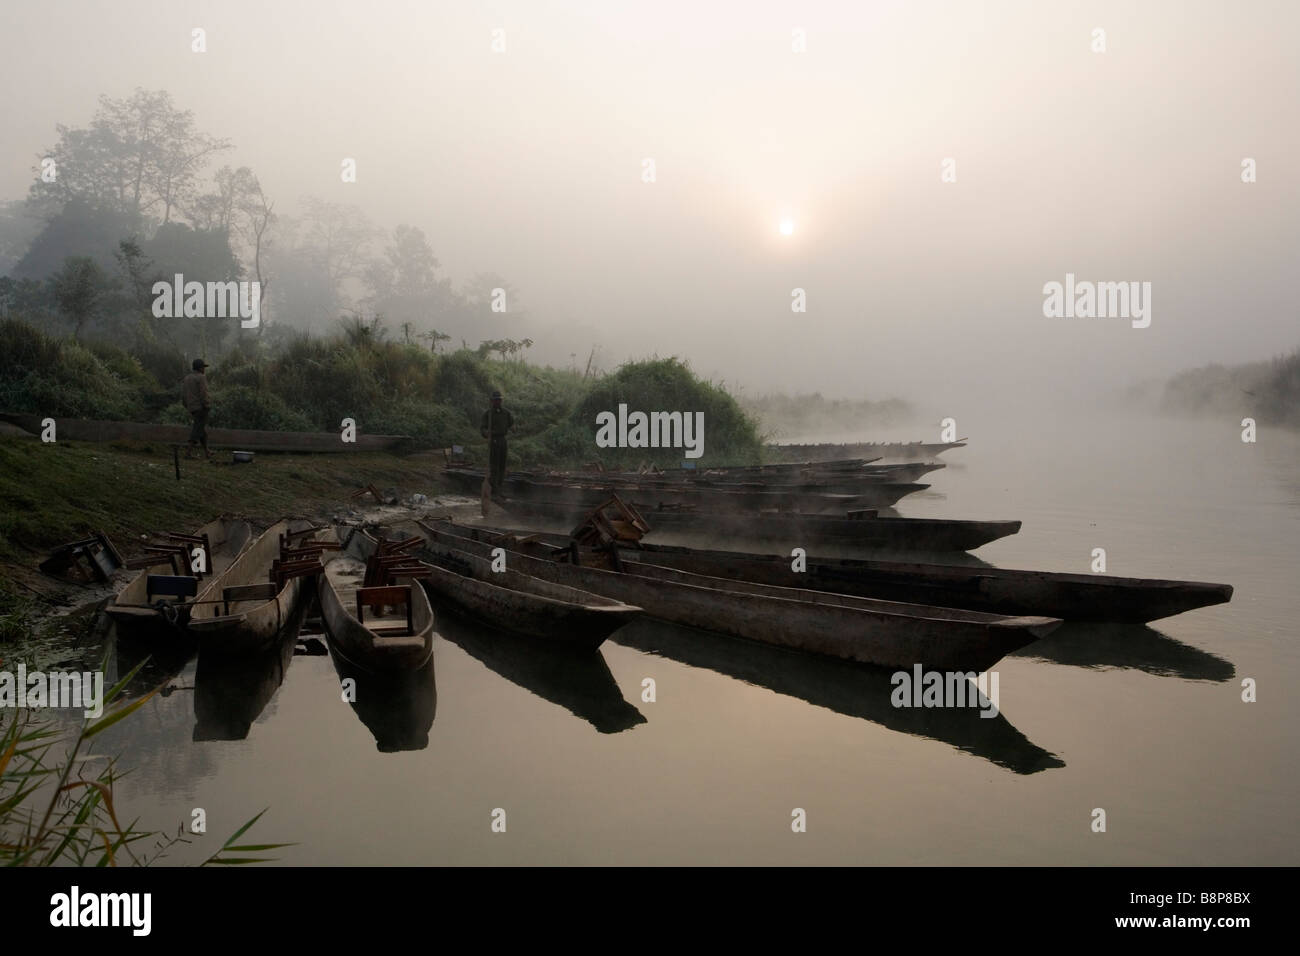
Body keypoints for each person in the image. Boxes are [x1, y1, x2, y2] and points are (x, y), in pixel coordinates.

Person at [480, 389, 514, 494]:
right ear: (492, 401)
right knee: (494, 465)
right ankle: (493, 488)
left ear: (501, 401)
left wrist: (513, 428)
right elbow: (482, 428)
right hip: (493, 440)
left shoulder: (506, 413)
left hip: (502, 440)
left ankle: (499, 485)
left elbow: (511, 424)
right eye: (495, 400)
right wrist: (486, 434)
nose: (497, 402)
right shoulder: (488, 414)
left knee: (502, 464)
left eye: (499, 400)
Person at [182, 358, 212, 459]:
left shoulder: (187, 378)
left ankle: (207, 451)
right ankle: (188, 453)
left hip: (192, 408)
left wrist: (187, 405)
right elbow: (203, 393)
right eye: (203, 367)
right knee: (197, 429)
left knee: (201, 429)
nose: (204, 369)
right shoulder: (201, 377)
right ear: (200, 368)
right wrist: (207, 405)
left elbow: (184, 395)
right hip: (201, 407)